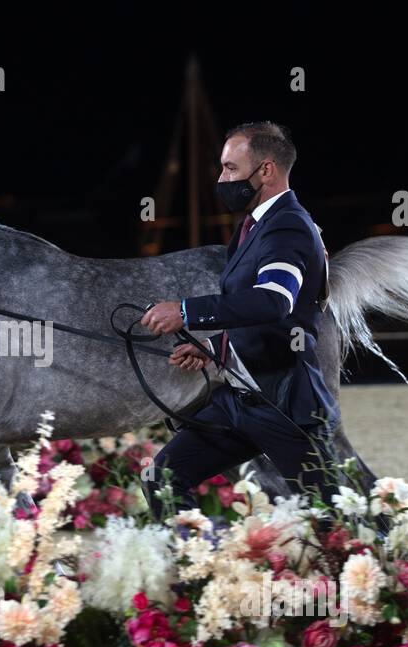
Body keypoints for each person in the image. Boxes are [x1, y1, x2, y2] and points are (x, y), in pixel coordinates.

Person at [139, 121, 341, 521]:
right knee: (161, 478)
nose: (222, 179)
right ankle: (200, 570)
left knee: (336, 524)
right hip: (239, 402)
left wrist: (185, 311)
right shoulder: (256, 227)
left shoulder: (288, 226)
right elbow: (251, 310)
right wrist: (213, 347)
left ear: (266, 170)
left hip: (283, 404)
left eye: (231, 168)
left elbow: (274, 301)